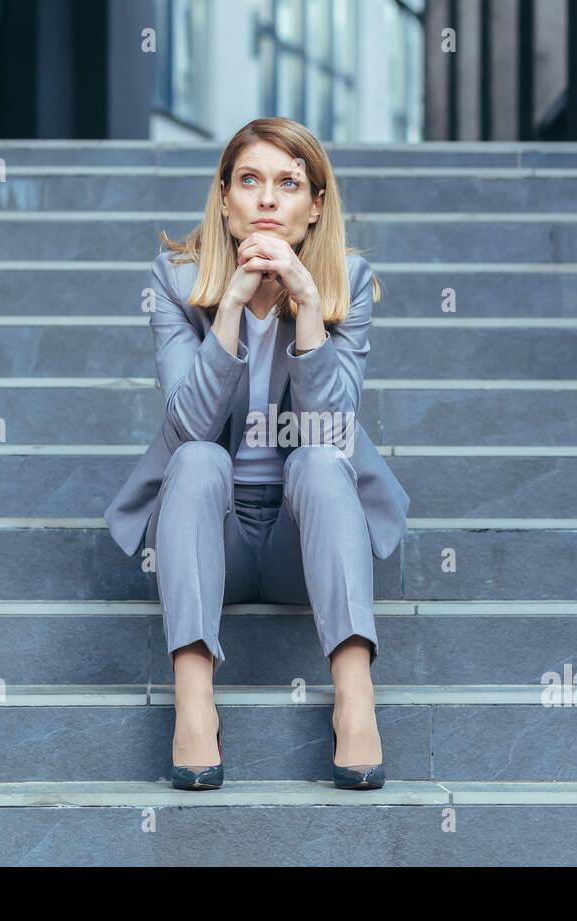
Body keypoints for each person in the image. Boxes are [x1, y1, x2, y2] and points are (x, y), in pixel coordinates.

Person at [103, 117, 410, 790]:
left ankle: (355, 697)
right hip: (214, 536)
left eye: (288, 183)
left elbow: (333, 425)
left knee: (321, 459)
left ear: (315, 206)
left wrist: (304, 304)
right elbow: (189, 422)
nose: (268, 200)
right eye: (250, 181)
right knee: (197, 459)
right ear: (223, 198)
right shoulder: (176, 279)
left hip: (306, 543)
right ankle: (193, 702)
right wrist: (232, 307)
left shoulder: (348, 282)